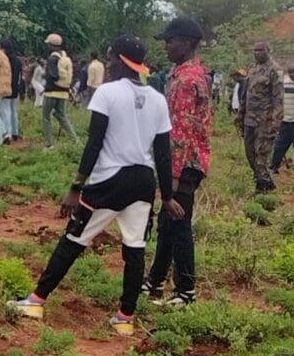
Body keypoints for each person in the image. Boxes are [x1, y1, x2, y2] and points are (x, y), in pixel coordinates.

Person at [9, 35, 173, 337]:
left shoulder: (108, 93)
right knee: (134, 248)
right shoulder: (158, 99)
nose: (107, 64)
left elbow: (95, 142)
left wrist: (77, 185)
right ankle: (125, 317)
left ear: (122, 60)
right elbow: (163, 153)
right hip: (143, 181)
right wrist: (168, 195)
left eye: (111, 58)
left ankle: (36, 300)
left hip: (111, 180)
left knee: (74, 238)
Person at [145, 17, 211, 308]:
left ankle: (186, 291)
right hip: (185, 162)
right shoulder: (182, 73)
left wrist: (171, 178)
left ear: (186, 42)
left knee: (178, 223)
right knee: (167, 222)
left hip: (184, 163)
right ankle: (155, 281)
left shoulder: (186, 80)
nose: (167, 46)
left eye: (170, 41)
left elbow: (181, 132)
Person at [238, 39, 283, 192]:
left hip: (266, 121)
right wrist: (240, 115)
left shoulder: (275, 70)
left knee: (261, 156)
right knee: (249, 153)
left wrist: (276, 121)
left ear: (268, 51)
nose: (257, 53)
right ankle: (265, 182)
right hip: (249, 120)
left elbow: (279, 98)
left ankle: (262, 189)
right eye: (255, 50)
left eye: (260, 50)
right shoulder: (252, 69)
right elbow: (245, 94)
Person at [41, 33, 77, 147]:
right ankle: (75, 140)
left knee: (46, 117)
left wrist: (45, 76)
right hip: (63, 92)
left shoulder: (52, 58)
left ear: (51, 45)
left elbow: (54, 76)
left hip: (51, 92)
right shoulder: (65, 57)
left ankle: (49, 144)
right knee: (62, 115)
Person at [271, 62, 294, 174]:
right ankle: (273, 166)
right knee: (280, 144)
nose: (293, 74)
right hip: (285, 120)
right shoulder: (283, 82)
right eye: (290, 72)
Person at [2, 39, 24, 141]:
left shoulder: (5, 60)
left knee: (6, 110)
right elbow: (20, 76)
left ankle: (8, 133)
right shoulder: (18, 60)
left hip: (6, 86)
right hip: (16, 87)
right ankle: (15, 132)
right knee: (13, 110)